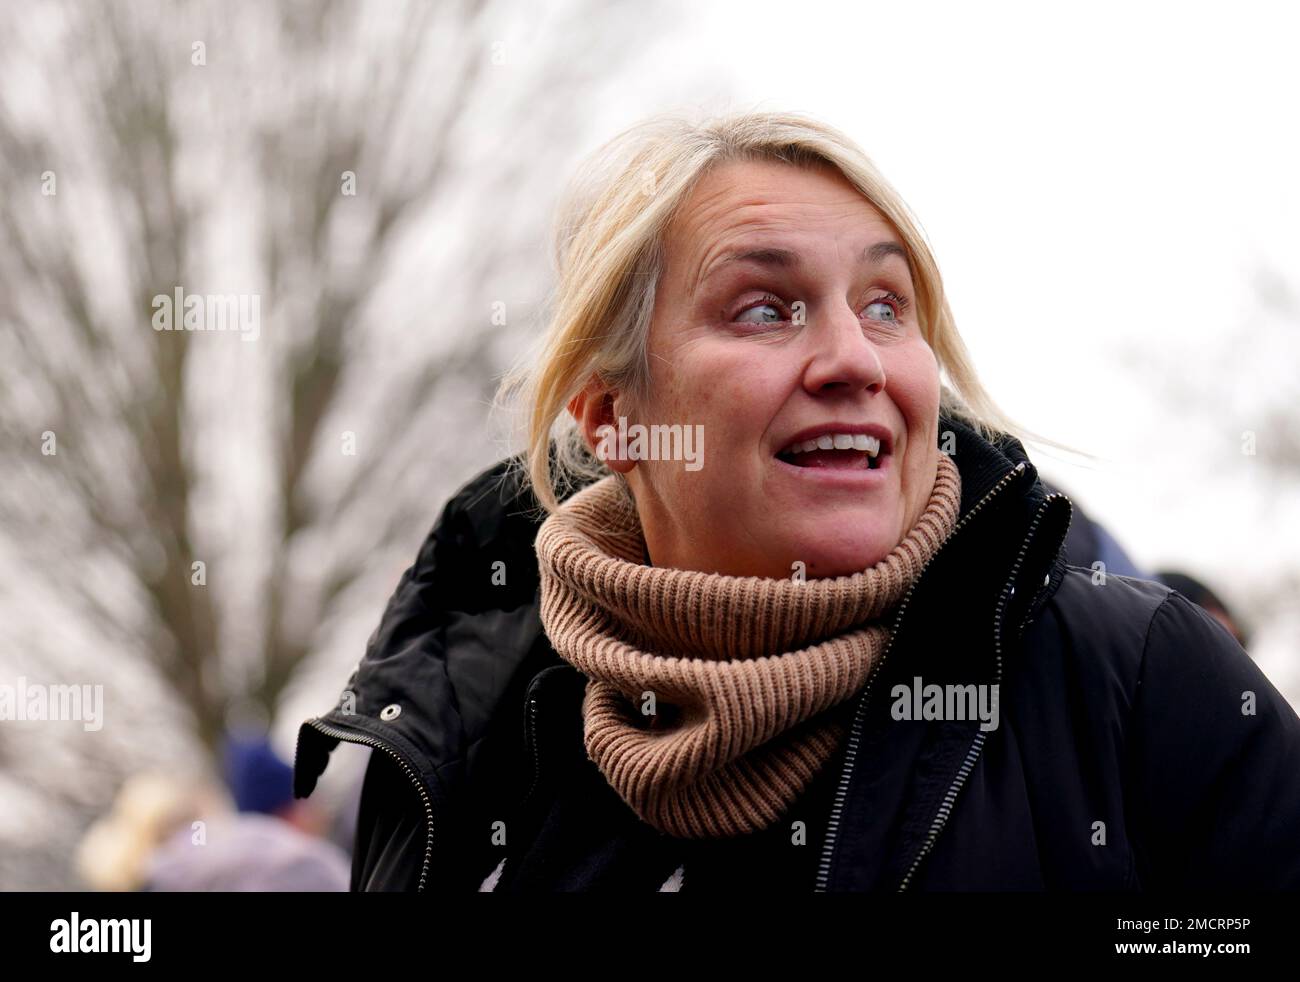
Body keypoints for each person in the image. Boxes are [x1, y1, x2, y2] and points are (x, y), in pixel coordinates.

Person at [293, 110, 1300, 891]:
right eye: (765, 308)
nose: (853, 359)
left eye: (884, 304)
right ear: (609, 415)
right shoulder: (458, 741)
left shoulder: (1137, 686)